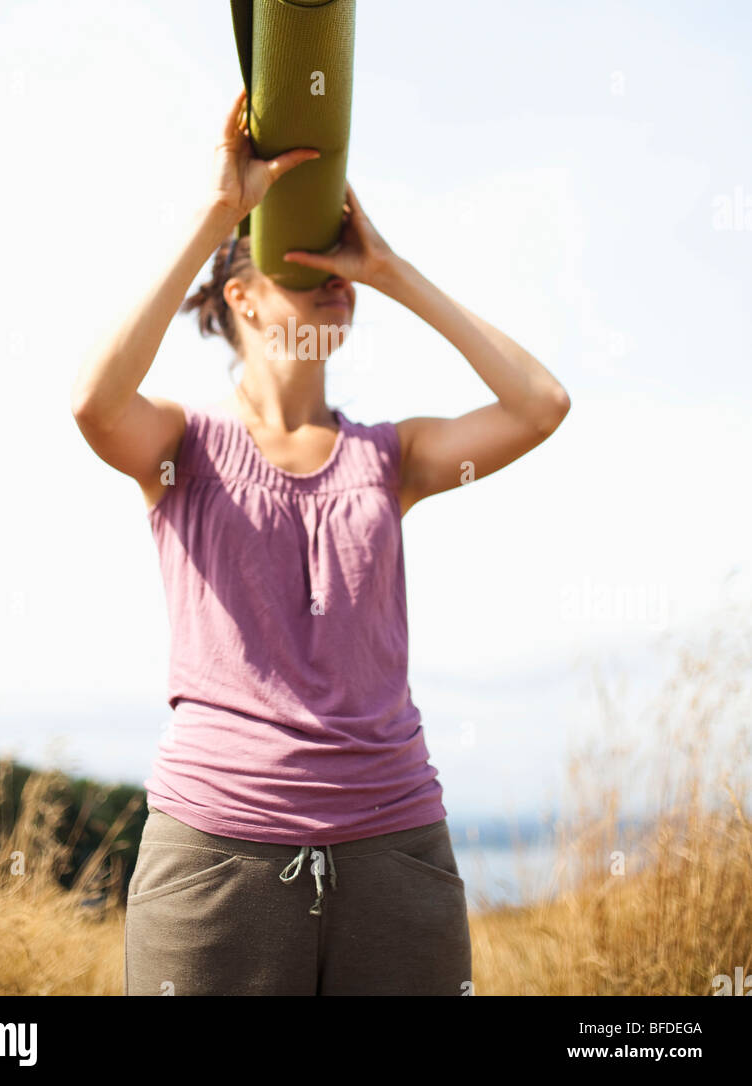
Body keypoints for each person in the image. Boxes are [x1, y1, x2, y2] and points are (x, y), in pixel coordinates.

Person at [70, 86, 571, 996]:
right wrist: (224, 207)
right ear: (243, 298)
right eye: (298, 266)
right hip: (219, 850)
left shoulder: (394, 457)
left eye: (335, 265)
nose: (329, 277)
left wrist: (390, 269)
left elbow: (540, 405)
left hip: (395, 842)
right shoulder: (183, 449)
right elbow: (95, 404)